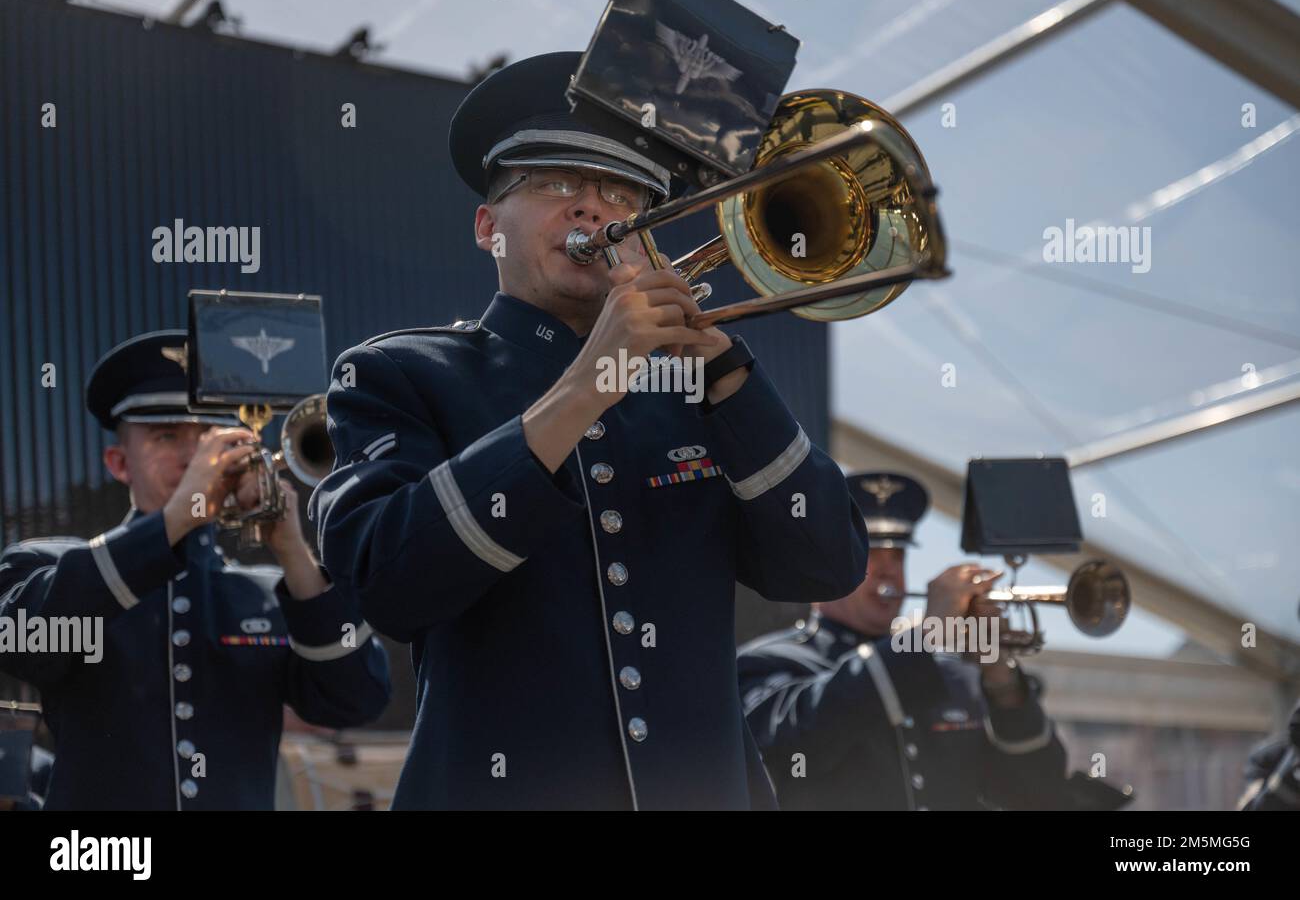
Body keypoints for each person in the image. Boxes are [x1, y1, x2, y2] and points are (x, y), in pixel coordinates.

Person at [309, 51, 870, 810]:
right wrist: (590, 382)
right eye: (555, 184)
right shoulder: (400, 374)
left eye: (620, 191)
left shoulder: (703, 389)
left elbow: (828, 564)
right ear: (487, 227)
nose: (591, 209)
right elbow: (389, 585)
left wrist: (728, 373)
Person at [0, 330, 390, 809]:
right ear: (119, 463)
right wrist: (176, 518)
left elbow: (357, 698)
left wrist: (291, 548)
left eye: (210, 437)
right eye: (166, 436)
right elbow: (24, 644)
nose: (194, 458)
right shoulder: (48, 565)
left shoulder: (270, 592)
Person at [738, 471, 1094, 810]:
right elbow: (794, 743)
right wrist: (925, 637)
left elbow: (1039, 793)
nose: (888, 570)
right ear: (823, 565)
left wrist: (1001, 679)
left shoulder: (956, 676)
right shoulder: (768, 663)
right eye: (869, 553)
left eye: (898, 555)